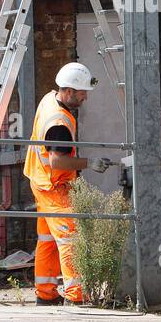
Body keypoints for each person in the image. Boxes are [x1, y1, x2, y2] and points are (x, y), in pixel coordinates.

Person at [23, 62, 111, 305]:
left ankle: (46, 294)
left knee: (48, 241)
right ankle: (76, 296)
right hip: (55, 188)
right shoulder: (59, 123)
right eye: (82, 93)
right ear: (69, 91)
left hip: (40, 181)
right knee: (70, 240)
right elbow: (58, 162)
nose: (85, 98)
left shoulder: (49, 99)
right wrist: (89, 163)